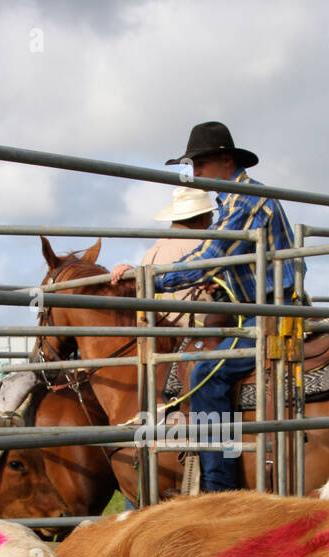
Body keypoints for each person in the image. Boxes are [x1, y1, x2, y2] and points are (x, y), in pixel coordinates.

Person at [110, 122, 302, 492]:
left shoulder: (246, 201)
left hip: (269, 315)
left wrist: (144, 279)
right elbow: (212, 258)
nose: (194, 174)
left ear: (225, 160)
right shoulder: (234, 201)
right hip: (260, 311)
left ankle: (218, 485)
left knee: (205, 376)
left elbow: (209, 258)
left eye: (200, 165)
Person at [140, 186, 217, 327]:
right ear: (203, 218)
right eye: (211, 216)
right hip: (197, 331)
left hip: (155, 330)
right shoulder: (205, 249)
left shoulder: (151, 251)